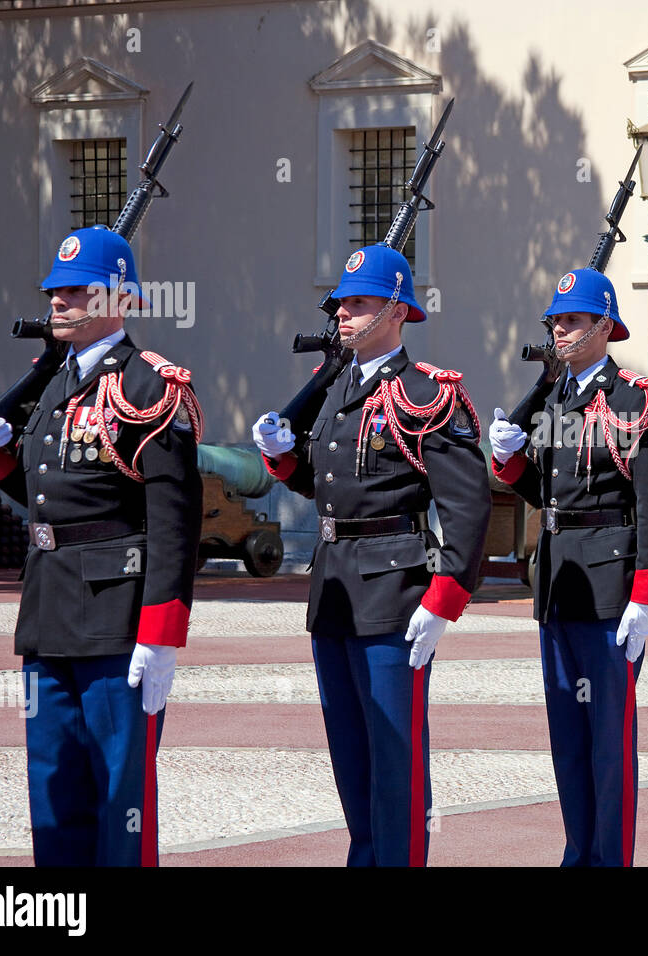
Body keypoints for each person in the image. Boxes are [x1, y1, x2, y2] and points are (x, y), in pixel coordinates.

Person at [0, 225, 203, 866]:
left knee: (119, 800)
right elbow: (51, 493)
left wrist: (160, 636)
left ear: (117, 301)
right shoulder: (52, 383)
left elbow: (175, 521)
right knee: (55, 793)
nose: (58, 303)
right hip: (48, 614)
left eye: (75, 292)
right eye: (55, 291)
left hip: (115, 621)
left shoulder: (152, 386)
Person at [252, 243, 490, 867]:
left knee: (395, 757)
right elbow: (329, 483)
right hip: (332, 591)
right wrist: (282, 457)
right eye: (341, 305)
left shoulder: (425, 393)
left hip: (393, 592)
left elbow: (466, 506)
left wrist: (444, 600)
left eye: (358, 304)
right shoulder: (334, 390)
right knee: (351, 754)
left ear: (395, 311)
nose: (343, 315)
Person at [488, 268, 648, 866]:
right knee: (568, 736)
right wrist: (512, 464)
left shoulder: (637, 400)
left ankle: (610, 857)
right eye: (557, 321)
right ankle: (579, 851)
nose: (561, 331)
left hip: (610, 586)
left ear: (604, 327)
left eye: (573, 321)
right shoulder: (555, 399)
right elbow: (550, 494)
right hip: (557, 582)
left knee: (607, 740)